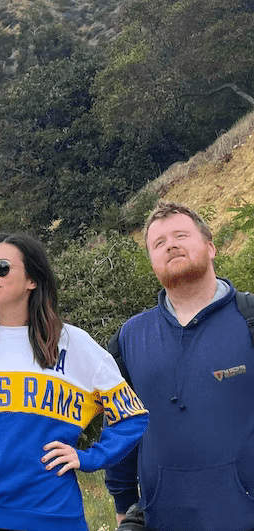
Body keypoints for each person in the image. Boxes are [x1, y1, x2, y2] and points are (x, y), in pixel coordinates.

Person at [0, 233, 148, 531]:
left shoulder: (74, 344)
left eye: (2, 268)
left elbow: (131, 416)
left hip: (52, 517)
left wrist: (90, 458)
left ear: (32, 279)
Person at [105, 202, 254, 530]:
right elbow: (121, 428)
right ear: (152, 262)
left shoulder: (250, 318)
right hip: (164, 517)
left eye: (181, 235)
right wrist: (124, 503)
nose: (170, 245)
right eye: (158, 243)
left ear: (211, 247)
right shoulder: (129, 338)